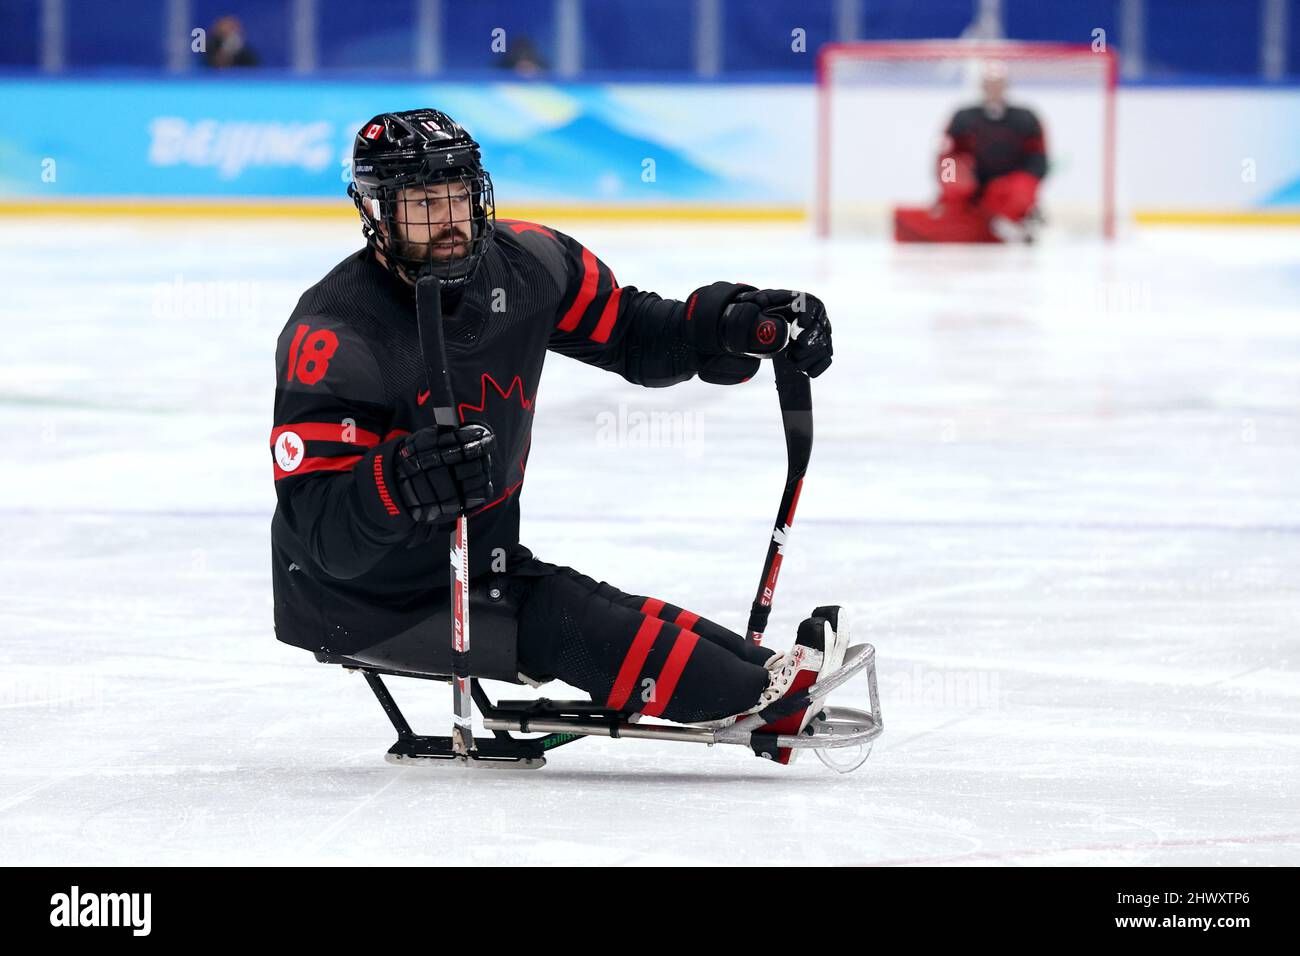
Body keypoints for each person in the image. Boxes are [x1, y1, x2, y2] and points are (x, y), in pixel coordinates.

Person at [271, 109, 842, 763]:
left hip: (481, 562)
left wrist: (731, 325)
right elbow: (320, 537)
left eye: (458, 195)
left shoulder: (527, 264)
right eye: (424, 202)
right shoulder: (335, 333)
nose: (450, 219)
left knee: (589, 605)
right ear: (376, 209)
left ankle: (765, 674)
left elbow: (632, 332)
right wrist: (397, 480)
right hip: (363, 594)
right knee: (569, 616)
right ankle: (760, 695)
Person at [895, 62, 1048, 243]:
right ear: (982, 86)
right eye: (990, 83)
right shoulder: (963, 117)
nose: (994, 88)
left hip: (1005, 194)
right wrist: (952, 185)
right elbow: (946, 156)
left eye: (998, 83)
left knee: (1019, 192)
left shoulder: (1026, 119)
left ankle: (1011, 223)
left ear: (1006, 85)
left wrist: (1022, 186)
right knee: (946, 223)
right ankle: (998, 227)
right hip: (968, 197)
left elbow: (1037, 159)